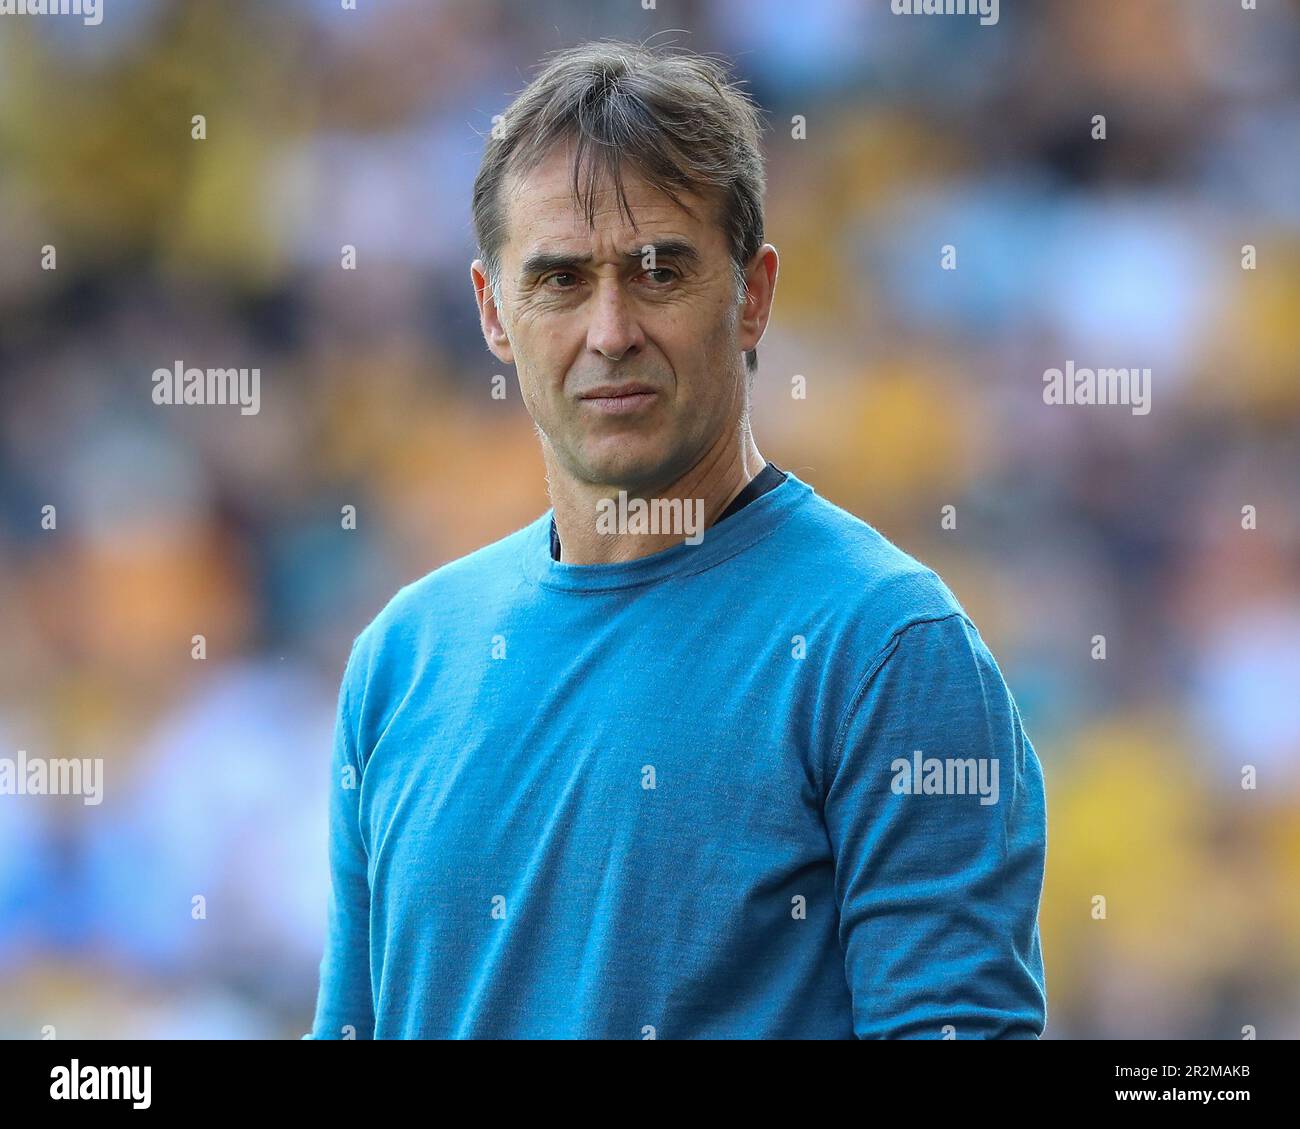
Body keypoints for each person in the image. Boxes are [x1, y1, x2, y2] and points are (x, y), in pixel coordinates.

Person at [311, 38, 1047, 1039]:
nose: (609, 329)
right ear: (492, 310)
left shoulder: (884, 650)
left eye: (657, 272)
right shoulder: (403, 656)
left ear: (752, 293)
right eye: (560, 281)